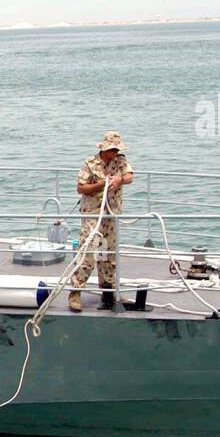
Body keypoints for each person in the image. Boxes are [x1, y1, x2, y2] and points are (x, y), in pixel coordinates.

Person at [69, 131, 134, 312]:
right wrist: (102, 184)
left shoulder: (120, 161)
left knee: (109, 254)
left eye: (116, 150)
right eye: (112, 150)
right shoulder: (90, 164)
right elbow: (81, 188)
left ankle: (108, 291)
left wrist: (118, 180)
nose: (114, 153)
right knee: (88, 252)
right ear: (104, 149)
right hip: (92, 213)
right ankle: (75, 291)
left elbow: (129, 176)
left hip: (110, 213)